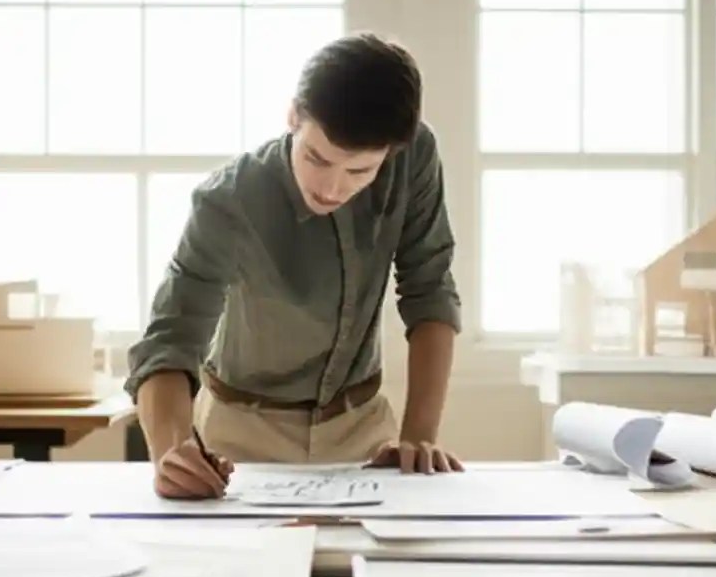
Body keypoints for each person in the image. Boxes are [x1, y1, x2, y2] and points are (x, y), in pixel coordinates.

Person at [126, 31, 464, 500]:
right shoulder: (229, 198)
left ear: (393, 151)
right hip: (242, 433)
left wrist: (420, 435)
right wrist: (171, 452)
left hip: (362, 430)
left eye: (360, 172)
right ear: (293, 117)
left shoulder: (414, 156)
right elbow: (170, 339)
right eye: (316, 158)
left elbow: (430, 289)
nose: (331, 187)